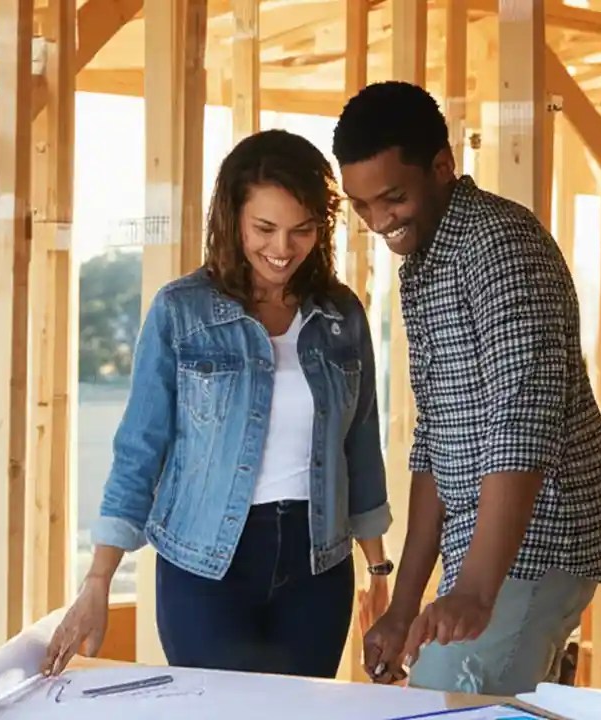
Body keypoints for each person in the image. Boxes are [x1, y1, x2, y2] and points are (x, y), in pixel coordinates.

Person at [42, 128, 393, 680]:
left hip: (318, 568)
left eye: (301, 230)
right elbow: (141, 448)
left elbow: (360, 447)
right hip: (206, 569)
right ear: (232, 219)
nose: (282, 249)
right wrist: (99, 580)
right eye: (265, 228)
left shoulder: (339, 315)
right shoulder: (181, 311)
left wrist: (379, 574)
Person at [332, 81, 601, 695]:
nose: (381, 221)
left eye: (393, 197)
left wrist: (475, 590)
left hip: (540, 535)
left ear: (442, 166)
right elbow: (437, 440)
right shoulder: (427, 262)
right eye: (363, 207)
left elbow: (524, 422)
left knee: (444, 699)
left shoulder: (501, 246)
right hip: (487, 542)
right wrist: (405, 602)